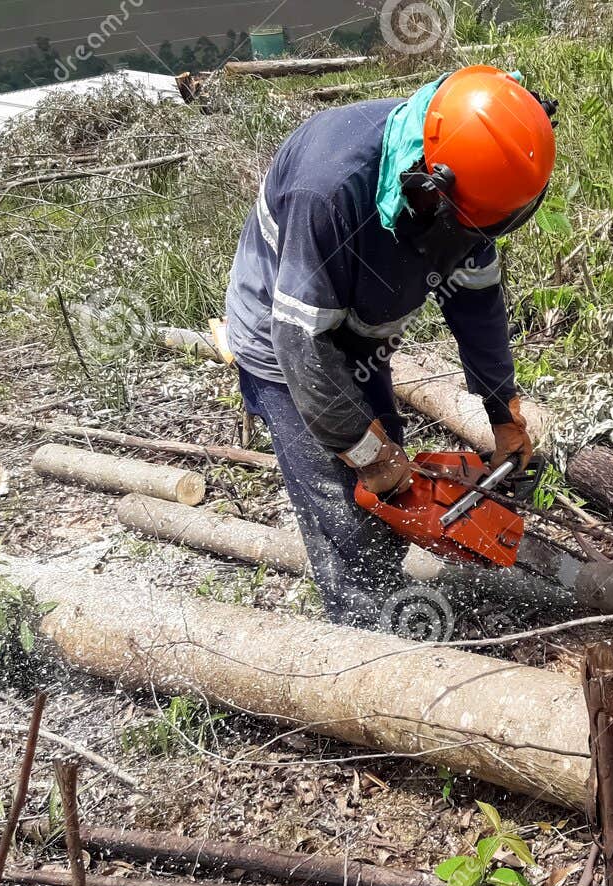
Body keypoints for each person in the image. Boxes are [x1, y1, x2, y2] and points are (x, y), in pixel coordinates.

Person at [223, 65, 557, 628]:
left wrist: (504, 414)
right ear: (431, 189)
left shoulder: (476, 179)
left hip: (359, 333)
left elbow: (476, 304)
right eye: (471, 227)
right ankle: (366, 646)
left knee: (391, 486)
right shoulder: (328, 188)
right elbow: (300, 340)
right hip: (287, 345)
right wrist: (367, 453)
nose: (479, 241)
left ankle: (388, 598)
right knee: (347, 507)